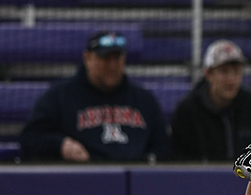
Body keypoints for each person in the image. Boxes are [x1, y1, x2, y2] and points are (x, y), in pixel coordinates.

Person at [19, 30, 171, 162]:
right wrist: (61, 145)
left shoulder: (144, 100)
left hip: (135, 181)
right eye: (105, 58)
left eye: (117, 58)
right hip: (84, 181)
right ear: (87, 59)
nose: (112, 65)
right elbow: (30, 138)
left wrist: (148, 162)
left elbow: (163, 147)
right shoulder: (60, 96)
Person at [170, 40, 251, 162]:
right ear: (208, 74)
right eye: (224, 71)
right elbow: (181, 160)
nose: (231, 79)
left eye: (237, 71)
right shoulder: (187, 110)